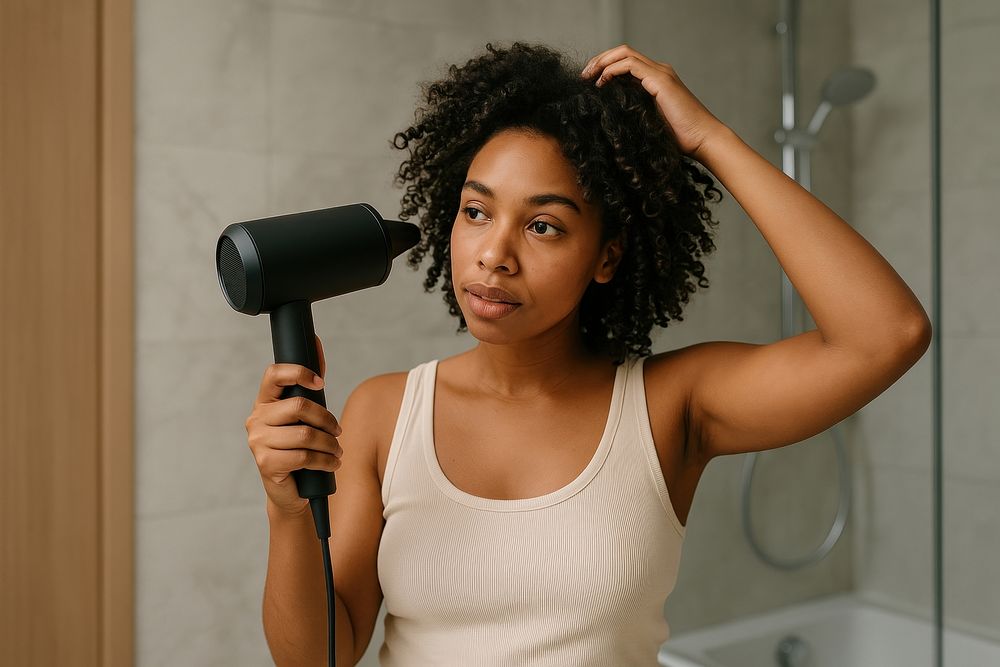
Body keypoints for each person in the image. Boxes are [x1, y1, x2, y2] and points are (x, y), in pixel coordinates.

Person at [245, 42, 931, 666]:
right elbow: (315, 660)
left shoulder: (671, 406)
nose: (494, 253)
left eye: (543, 225)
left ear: (606, 256)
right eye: (477, 211)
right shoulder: (384, 414)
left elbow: (887, 334)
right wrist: (287, 509)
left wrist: (710, 140)